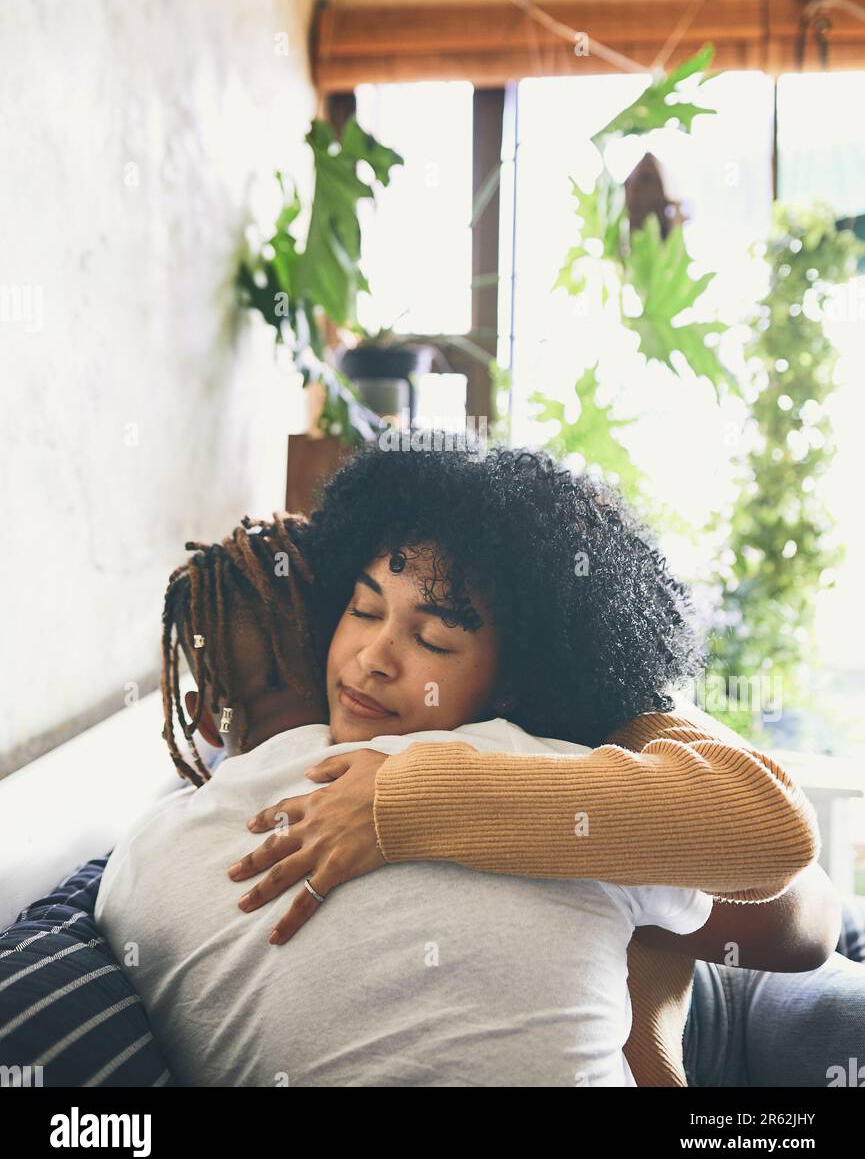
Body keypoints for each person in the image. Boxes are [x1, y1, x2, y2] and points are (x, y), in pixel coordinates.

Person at [100, 440, 829, 1085]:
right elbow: (760, 927)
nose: (373, 660)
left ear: (517, 678)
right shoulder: (532, 764)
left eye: (436, 641)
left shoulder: (542, 760)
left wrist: (409, 801)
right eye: (361, 609)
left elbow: (789, 881)